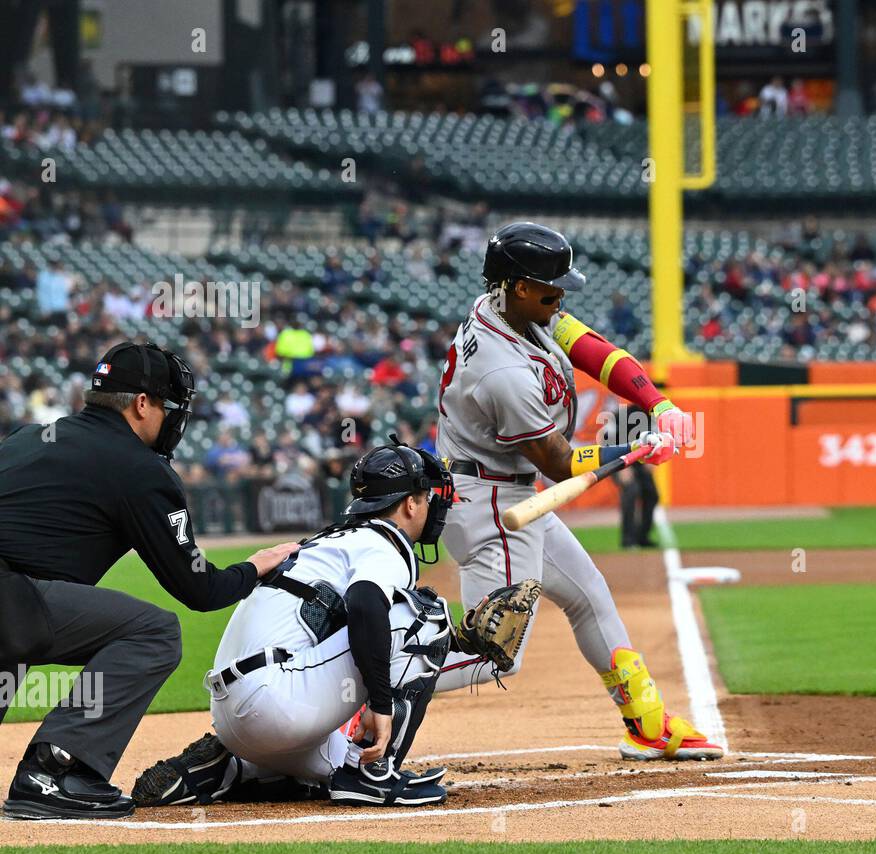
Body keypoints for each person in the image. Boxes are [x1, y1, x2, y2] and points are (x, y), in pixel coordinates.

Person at [434, 222, 722, 760]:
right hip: (491, 504)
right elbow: (561, 464)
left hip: (508, 493)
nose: (560, 296)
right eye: (550, 288)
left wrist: (656, 404)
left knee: (590, 597)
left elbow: (594, 350)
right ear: (517, 285)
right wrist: (635, 448)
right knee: (494, 653)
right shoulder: (503, 372)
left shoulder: (514, 308)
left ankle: (647, 725)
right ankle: (362, 695)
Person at [0, 342, 298, 819]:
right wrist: (256, 565)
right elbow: (200, 590)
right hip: (11, 600)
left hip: (14, 608)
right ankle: (54, 771)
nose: (172, 418)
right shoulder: (140, 469)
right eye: (167, 405)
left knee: (19, 631)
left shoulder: (28, 436)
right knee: (153, 632)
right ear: (142, 404)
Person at [132, 442, 505, 808]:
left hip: (237, 718)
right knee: (426, 614)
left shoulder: (334, 540)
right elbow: (365, 605)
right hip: (278, 699)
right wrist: (382, 704)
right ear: (410, 503)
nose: (433, 506)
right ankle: (376, 775)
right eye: (426, 497)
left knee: (337, 768)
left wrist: (458, 646)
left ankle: (231, 768)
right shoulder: (383, 541)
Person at [602, 404, 658, 548]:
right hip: (617, 459)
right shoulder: (620, 416)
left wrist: (652, 460)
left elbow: (657, 440)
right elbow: (606, 441)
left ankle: (642, 537)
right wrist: (620, 467)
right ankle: (628, 539)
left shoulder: (653, 417)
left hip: (639, 459)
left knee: (651, 494)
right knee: (631, 490)